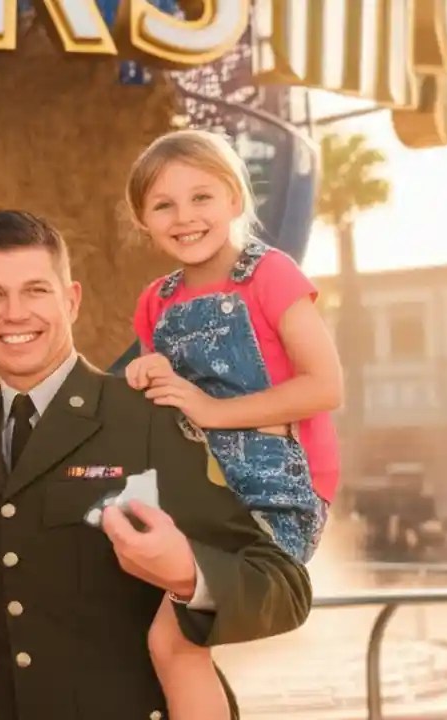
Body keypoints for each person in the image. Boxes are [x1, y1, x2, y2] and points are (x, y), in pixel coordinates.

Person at [0, 209, 312, 719]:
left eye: (35, 290)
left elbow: (283, 585)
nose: (14, 313)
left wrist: (188, 573)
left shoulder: (147, 419)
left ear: (71, 300)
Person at [122, 129, 342, 719]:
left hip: (276, 492)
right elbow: (166, 407)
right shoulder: (154, 301)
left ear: (236, 200)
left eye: (202, 197)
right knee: (157, 634)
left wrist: (213, 409)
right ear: (143, 219)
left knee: (172, 641)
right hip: (198, 489)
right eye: (163, 205)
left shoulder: (270, 273)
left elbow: (326, 386)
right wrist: (146, 373)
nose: (184, 217)